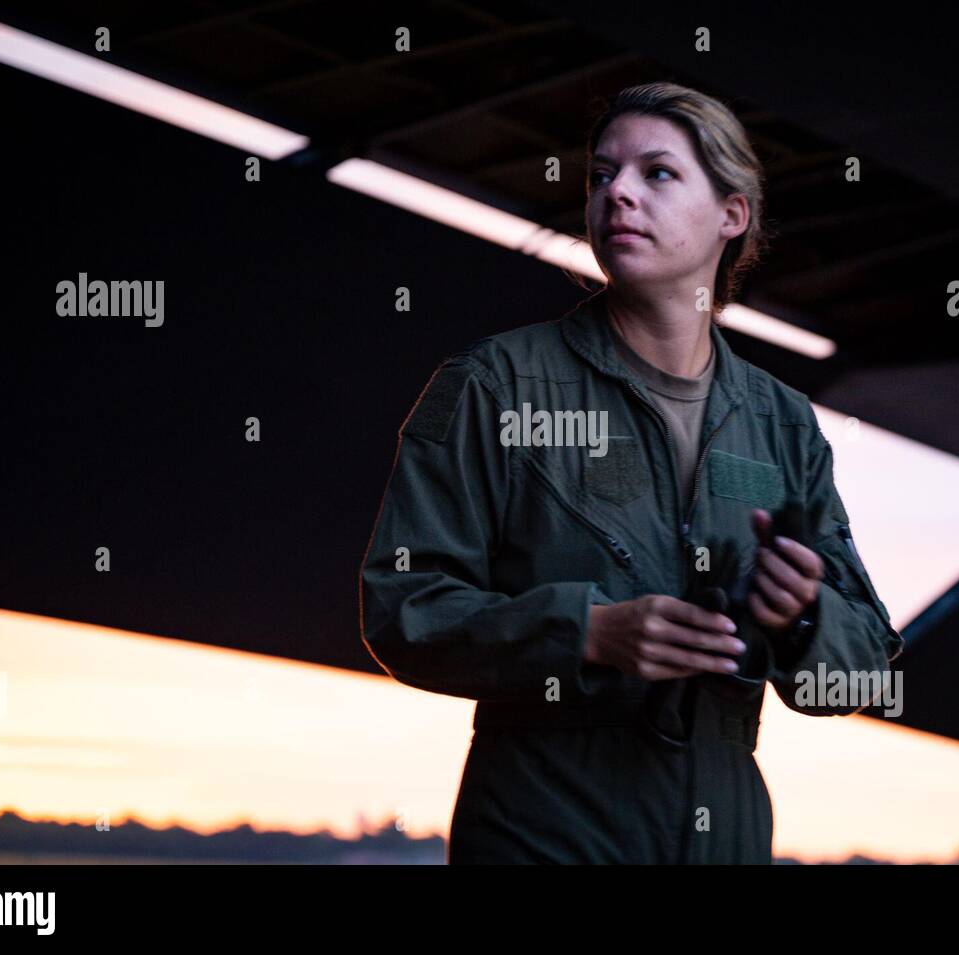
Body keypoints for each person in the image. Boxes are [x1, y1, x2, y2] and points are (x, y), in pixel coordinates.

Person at [359, 82, 904, 864]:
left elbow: (860, 676)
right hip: (543, 828)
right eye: (601, 175)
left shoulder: (783, 422)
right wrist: (587, 633)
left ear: (732, 214)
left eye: (657, 173)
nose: (616, 192)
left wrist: (806, 617)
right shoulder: (495, 385)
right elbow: (402, 608)